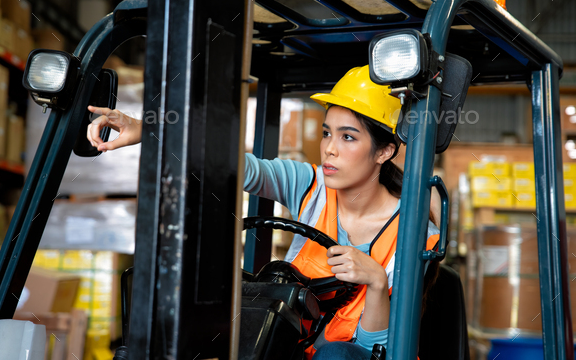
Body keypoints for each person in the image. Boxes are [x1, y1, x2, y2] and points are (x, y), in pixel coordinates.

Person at [87, 65, 440, 360]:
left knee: (335, 355)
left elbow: (375, 351)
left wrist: (376, 282)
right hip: (287, 346)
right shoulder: (311, 187)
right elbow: (233, 166)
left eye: (348, 138)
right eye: (326, 133)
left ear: (384, 151)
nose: (329, 149)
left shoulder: (411, 233)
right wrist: (148, 130)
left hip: (349, 356)